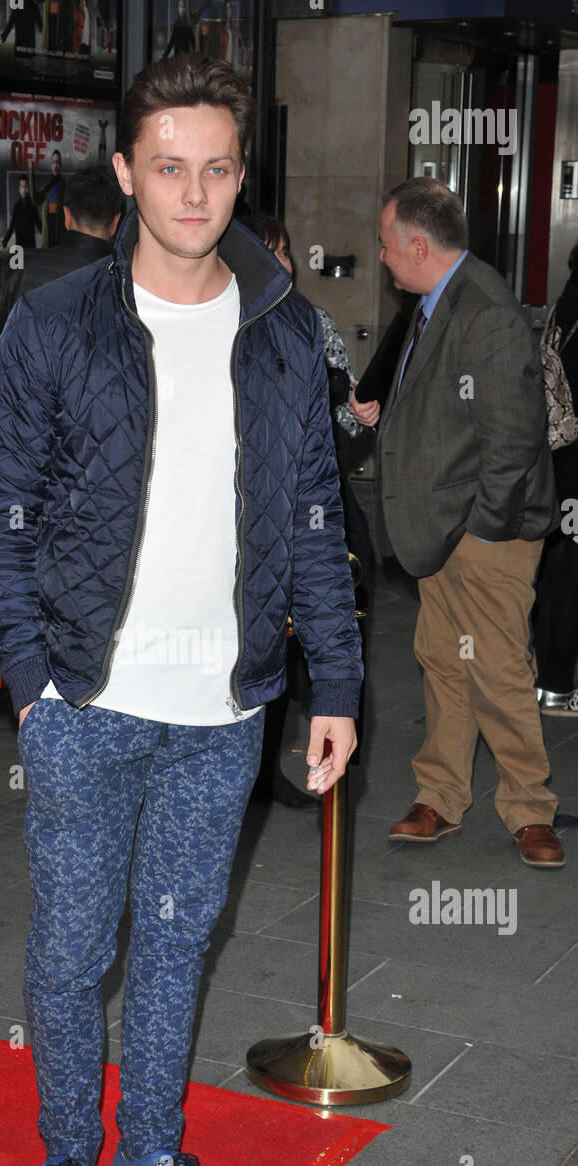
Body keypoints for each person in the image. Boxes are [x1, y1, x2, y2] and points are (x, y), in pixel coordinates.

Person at [0, 51, 361, 1166]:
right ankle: (69, 1156)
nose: (196, 194)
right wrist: (30, 680)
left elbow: (312, 519)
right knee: (74, 953)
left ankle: (150, 1148)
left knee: (181, 939)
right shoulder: (55, 322)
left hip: (225, 709)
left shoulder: (284, 330)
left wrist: (333, 682)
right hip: (85, 700)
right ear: (128, 172)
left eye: (219, 168)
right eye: (171, 167)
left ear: (243, 175)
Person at [358, 177, 562, 868]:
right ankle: (440, 798)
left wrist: (481, 532)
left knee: (497, 669)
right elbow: (444, 407)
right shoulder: (430, 302)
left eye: (386, 246)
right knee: (444, 663)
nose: (381, 258)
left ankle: (529, 809)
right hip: (440, 527)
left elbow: (513, 439)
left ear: (418, 245)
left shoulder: (484, 311)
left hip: (484, 536)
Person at [0, 166, 124, 717]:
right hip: (93, 453)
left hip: (22, 444)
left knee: (1, 547)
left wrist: (13, 406)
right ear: (119, 220)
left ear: (65, 214)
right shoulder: (128, 277)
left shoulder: (20, 266)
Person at [239, 211, 376, 807]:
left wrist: (355, 412)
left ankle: (323, 746)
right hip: (254, 507)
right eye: (270, 251)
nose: (284, 263)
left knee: (338, 599)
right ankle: (258, 769)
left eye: (287, 251)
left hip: (315, 493)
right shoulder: (231, 322)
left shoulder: (310, 322)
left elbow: (343, 409)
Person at [533, 241, 578, 715]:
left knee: (558, 573)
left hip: (560, 462)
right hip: (573, 468)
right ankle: (556, 684)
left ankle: (548, 678)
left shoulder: (568, 298)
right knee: (567, 578)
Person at [0, 176, 41, 253]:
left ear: (28, 188)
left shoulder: (33, 205)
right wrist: (4, 243)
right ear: (19, 188)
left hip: (30, 246)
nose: (24, 189)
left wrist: (49, 239)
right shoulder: (16, 206)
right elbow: (12, 226)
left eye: (25, 186)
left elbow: (39, 224)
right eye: (22, 186)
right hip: (19, 246)